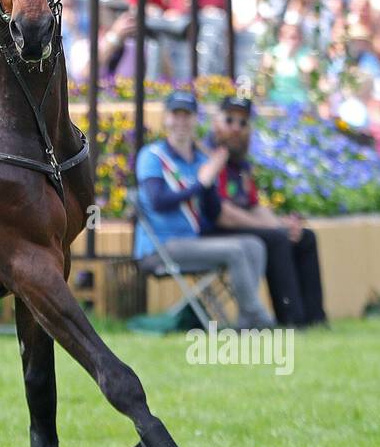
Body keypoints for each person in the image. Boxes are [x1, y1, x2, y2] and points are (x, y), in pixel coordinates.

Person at [134, 90, 275, 330]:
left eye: (187, 115)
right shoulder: (152, 156)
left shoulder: (201, 159)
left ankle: (245, 317)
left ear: (194, 120)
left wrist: (213, 178)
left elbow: (211, 210)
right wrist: (201, 183)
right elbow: (158, 201)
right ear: (166, 119)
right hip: (160, 247)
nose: (181, 122)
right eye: (175, 115)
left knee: (254, 245)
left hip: (191, 242)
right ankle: (257, 318)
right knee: (235, 251)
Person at [206, 95, 327, 327]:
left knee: (304, 237)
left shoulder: (240, 164)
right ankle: (292, 319)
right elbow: (223, 214)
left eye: (243, 123)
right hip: (213, 231)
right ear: (215, 122)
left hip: (241, 229)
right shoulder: (211, 157)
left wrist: (283, 225)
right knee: (277, 239)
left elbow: (254, 206)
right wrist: (274, 229)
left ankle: (315, 318)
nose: (236, 129)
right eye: (229, 120)